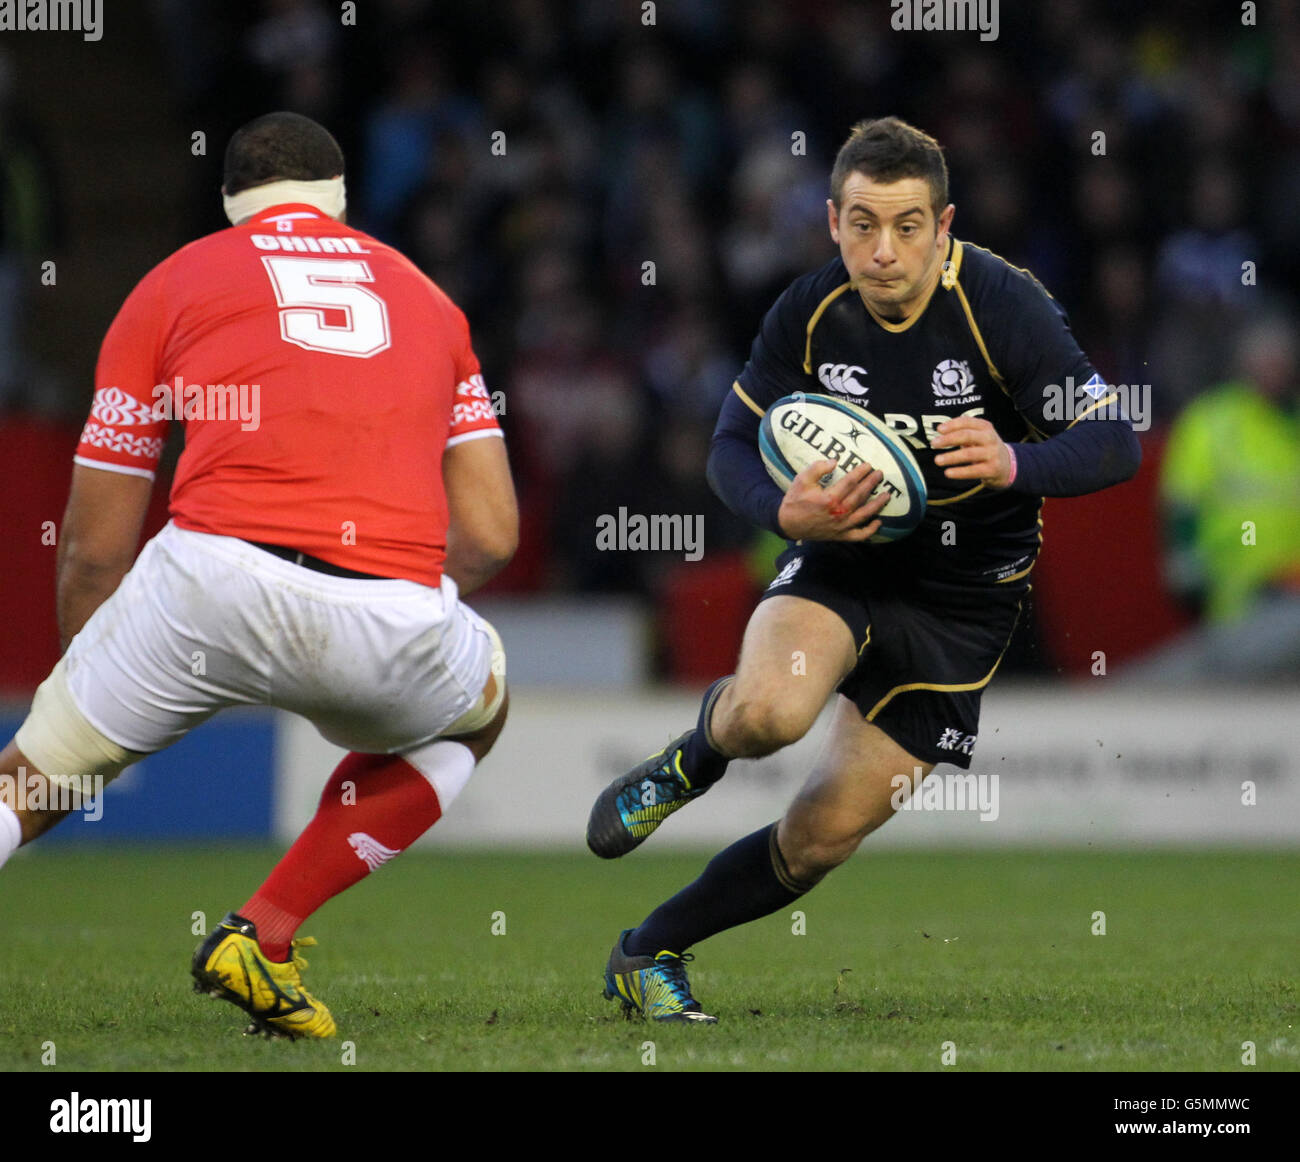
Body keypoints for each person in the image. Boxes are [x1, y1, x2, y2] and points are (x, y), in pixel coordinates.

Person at [586, 117, 1141, 1022]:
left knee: (818, 840)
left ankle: (646, 952)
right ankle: (693, 760)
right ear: (833, 224)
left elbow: (1114, 440)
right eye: (863, 225)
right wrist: (779, 511)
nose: (884, 251)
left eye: (909, 226)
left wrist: (1014, 462)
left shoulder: (1003, 307)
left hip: (966, 606)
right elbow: (730, 443)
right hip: (844, 563)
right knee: (768, 714)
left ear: (945, 224)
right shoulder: (807, 311)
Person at [0, 112, 518, 1039]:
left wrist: (93, 677)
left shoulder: (174, 282)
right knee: (478, 712)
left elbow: (94, 541)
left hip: (206, 585)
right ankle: (264, 931)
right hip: (390, 614)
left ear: (232, 202)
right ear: (342, 201)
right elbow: (491, 533)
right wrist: (376, 587)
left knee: (28, 787)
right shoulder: (431, 302)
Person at [1120, 315, 1300, 682]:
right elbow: (1181, 504)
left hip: (1291, 586)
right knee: (1223, 674)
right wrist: (1185, 570)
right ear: (1244, 363)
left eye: (1280, 359)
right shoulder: (1213, 420)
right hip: (1237, 593)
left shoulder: (1292, 422)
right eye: (1264, 359)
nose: (1273, 369)